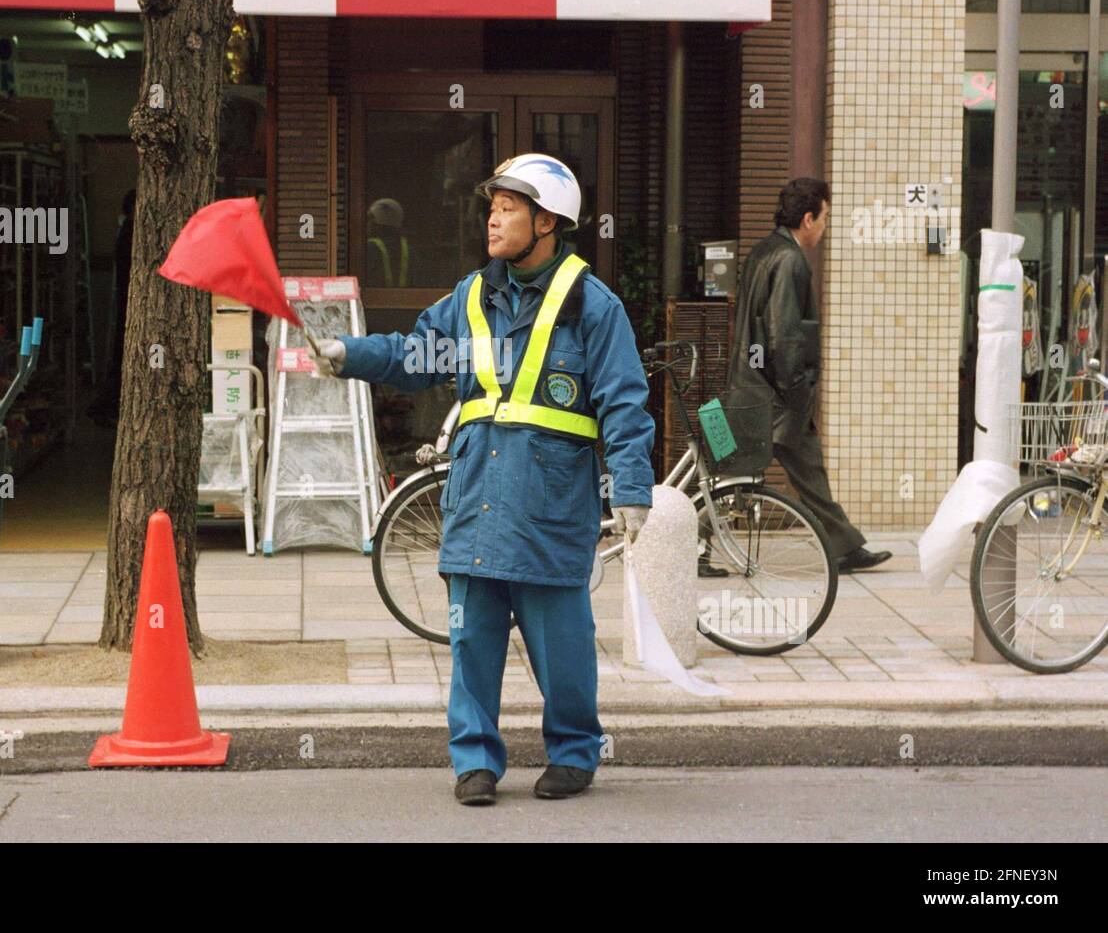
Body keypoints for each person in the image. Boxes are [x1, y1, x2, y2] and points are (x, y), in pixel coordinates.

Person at [311, 154, 654, 806]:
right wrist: (350, 354)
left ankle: (575, 752)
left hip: (550, 509)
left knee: (565, 649)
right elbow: (414, 357)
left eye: (508, 207)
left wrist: (633, 489)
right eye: (491, 206)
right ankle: (474, 760)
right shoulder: (469, 298)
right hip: (477, 502)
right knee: (471, 642)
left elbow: (624, 403)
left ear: (547, 219)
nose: (493, 218)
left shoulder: (591, 305)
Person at [724, 177, 890, 574]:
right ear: (808, 218)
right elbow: (784, 334)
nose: (825, 228)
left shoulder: (764, 251)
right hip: (776, 390)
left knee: (748, 468)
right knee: (744, 471)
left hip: (751, 381)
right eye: (825, 218)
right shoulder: (791, 261)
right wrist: (796, 389)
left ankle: (843, 544)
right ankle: (843, 545)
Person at [87, 189, 135, 428]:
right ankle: (106, 405)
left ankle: (106, 404)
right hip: (131, 303)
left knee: (121, 353)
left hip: (127, 302)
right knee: (124, 355)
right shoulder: (131, 231)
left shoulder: (125, 230)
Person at [365, 197, 410, 288]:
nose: (367, 224)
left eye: (370, 219)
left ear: (376, 222)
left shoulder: (369, 248)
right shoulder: (410, 248)